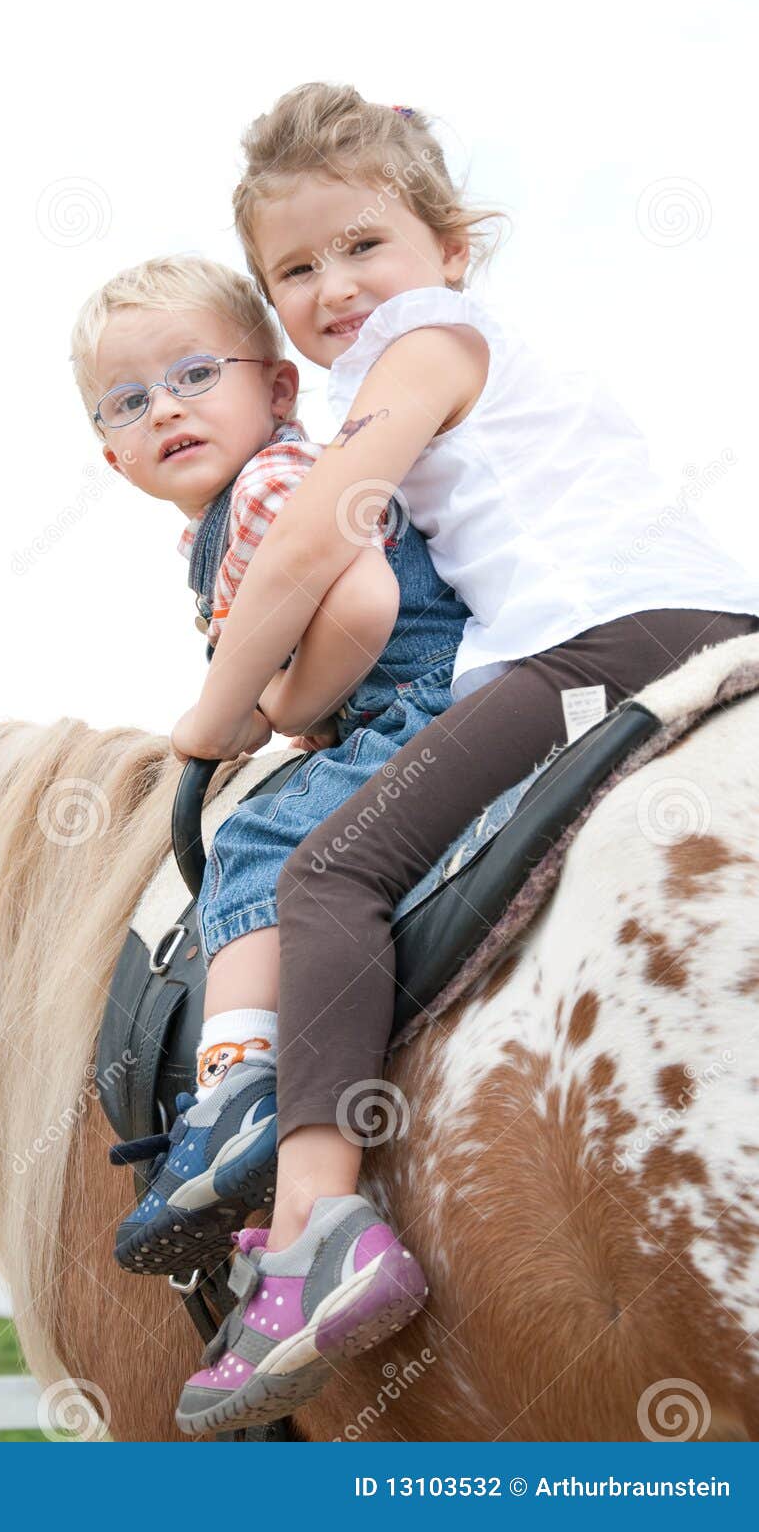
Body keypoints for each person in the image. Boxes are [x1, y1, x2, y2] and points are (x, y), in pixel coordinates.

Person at [168, 82, 759, 1436]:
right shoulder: (457, 346)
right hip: (685, 616)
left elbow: (322, 530)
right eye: (294, 269)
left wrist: (212, 716)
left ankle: (319, 1235)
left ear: (449, 246)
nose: (333, 287)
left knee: (328, 874)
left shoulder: (423, 340)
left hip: (593, 640)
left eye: (360, 246)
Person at [67, 251, 477, 1294]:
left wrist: (276, 708)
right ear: (114, 457)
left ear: (279, 386)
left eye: (196, 375)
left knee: (252, 845)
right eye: (130, 400)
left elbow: (365, 609)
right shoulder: (227, 514)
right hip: (392, 704)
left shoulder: (271, 487)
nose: (166, 407)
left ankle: (235, 1085)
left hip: (419, 698)